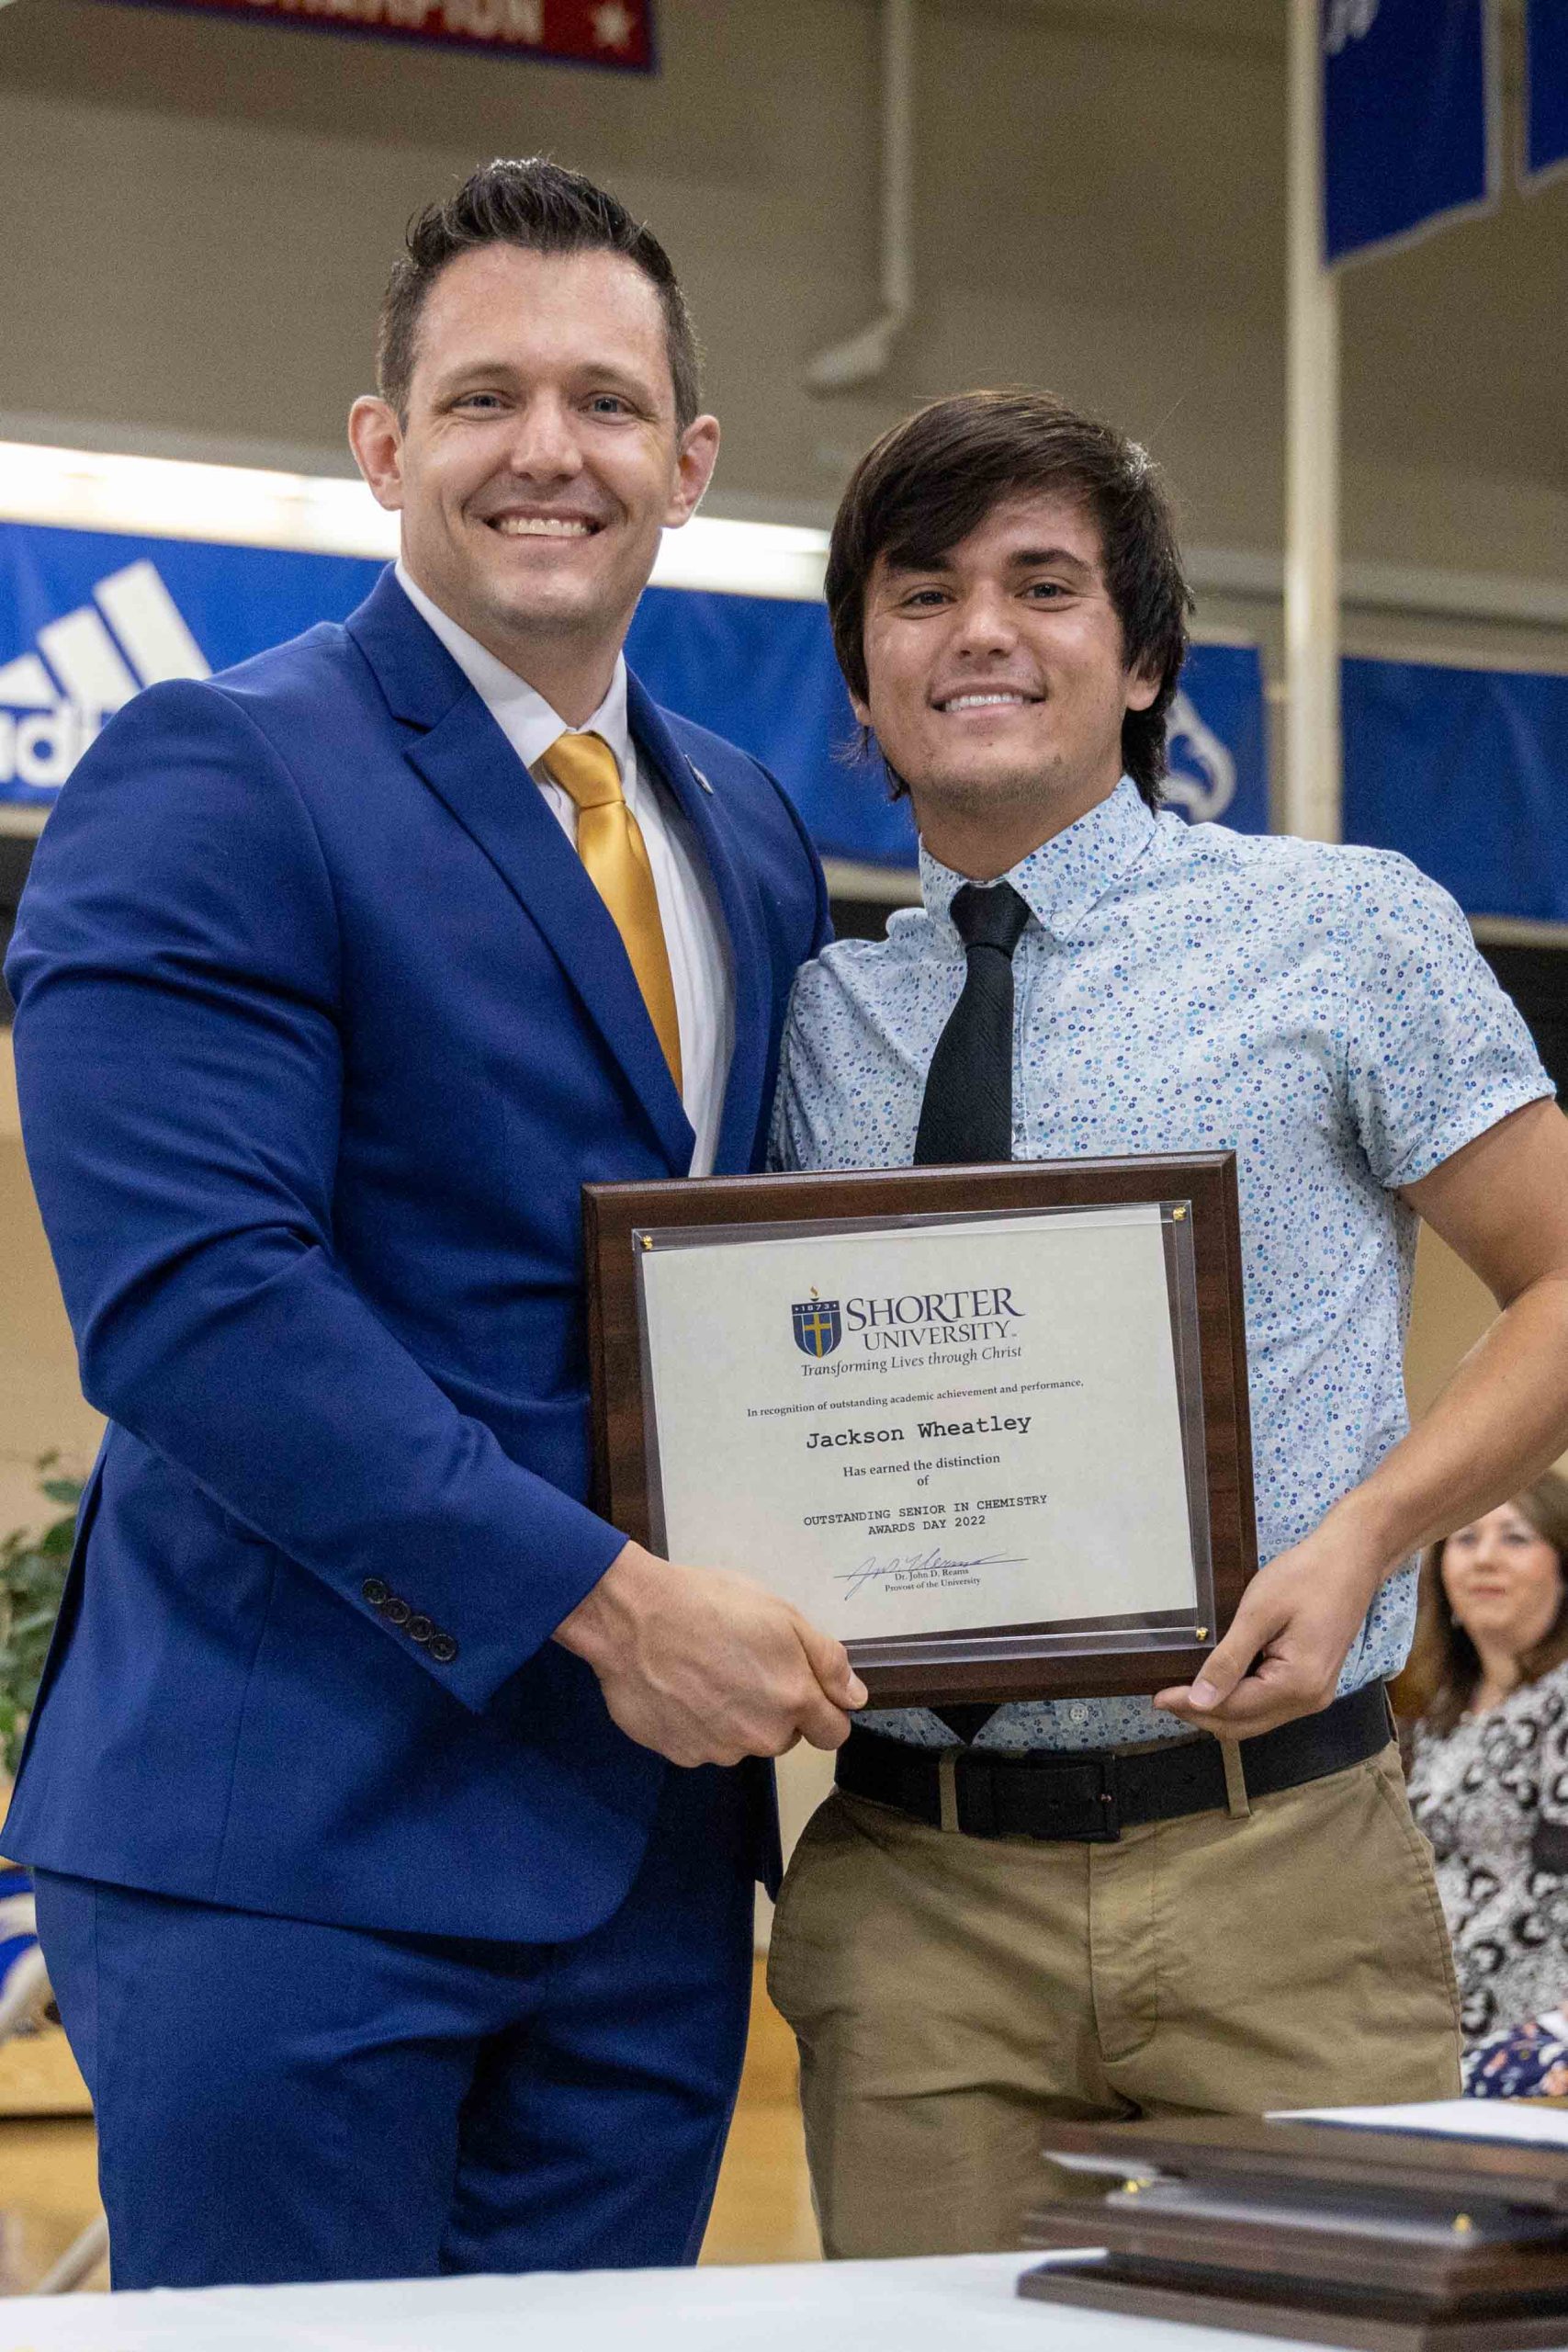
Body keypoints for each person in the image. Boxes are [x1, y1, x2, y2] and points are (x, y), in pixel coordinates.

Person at [3, 157, 864, 2291]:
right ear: (381, 445)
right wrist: (606, 1605)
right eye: (482, 398)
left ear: (688, 464)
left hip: (643, 1878)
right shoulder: (213, 771)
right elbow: (197, 1307)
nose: (544, 449)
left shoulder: (743, 827)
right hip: (293, 1848)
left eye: (599, 400)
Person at [766, 389, 1568, 2258]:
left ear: (1137, 661)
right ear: (861, 682)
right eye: (921, 589)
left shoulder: (1343, 929)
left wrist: (1370, 1528)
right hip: (914, 1891)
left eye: (1042, 585)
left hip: (1279, 1864)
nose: (979, 628)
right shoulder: (814, 1019)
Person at [1404, 1479, 1568, 2054]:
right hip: (1425, 2013)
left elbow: (1559, 1892)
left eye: (1516, 1538)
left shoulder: (1563, 1699)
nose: (1485, 1558)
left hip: (1534, 2020)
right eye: (1466, 1537)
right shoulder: (1436, 1719)